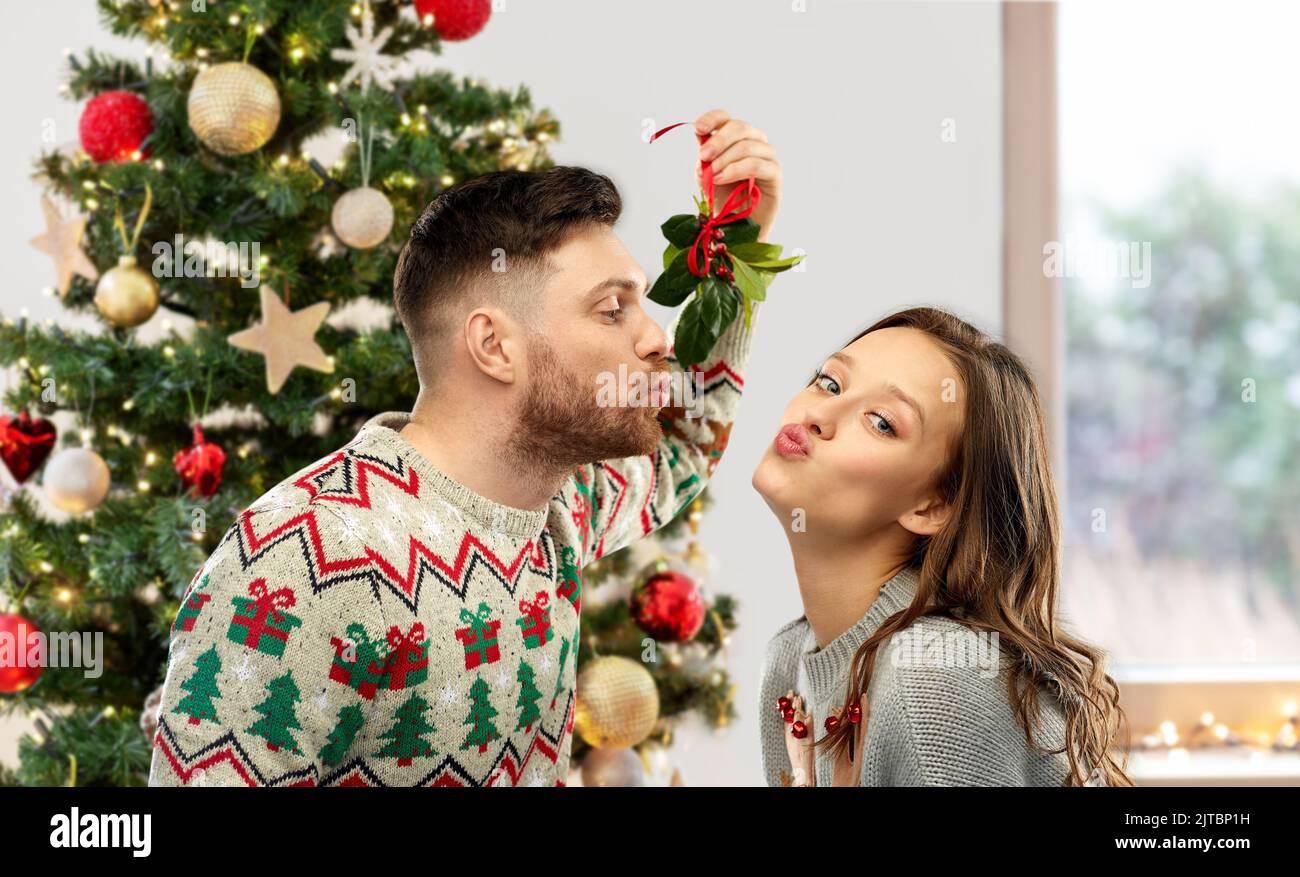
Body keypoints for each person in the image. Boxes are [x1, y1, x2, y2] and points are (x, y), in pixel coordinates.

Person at [150, 109, 783, 787]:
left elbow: (684, 443)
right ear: (494, 345)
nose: (657, 338)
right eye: (612, 308)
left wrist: (732, 246)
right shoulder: (301, 558)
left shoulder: (558, 506)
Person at [753, 307, 1134, 786]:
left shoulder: (934, 678)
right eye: (830, 382)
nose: (819, 414)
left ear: (933, 505)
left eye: (881, 422)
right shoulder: (789, 662)